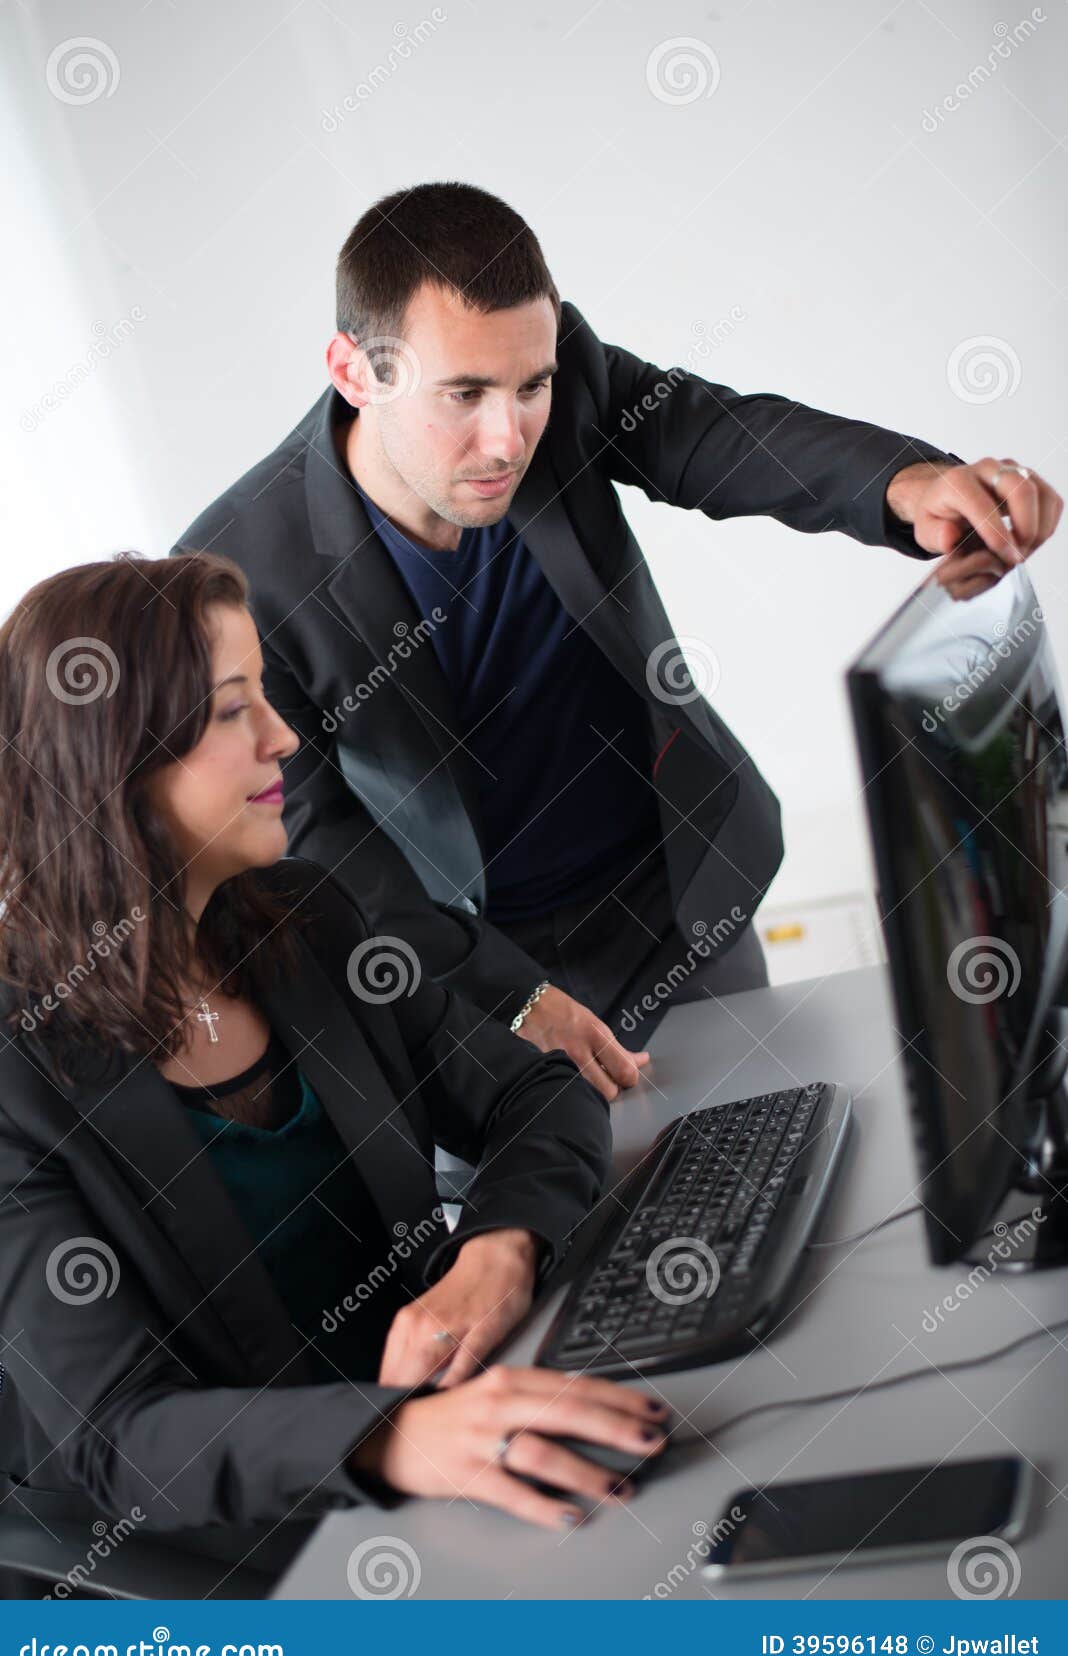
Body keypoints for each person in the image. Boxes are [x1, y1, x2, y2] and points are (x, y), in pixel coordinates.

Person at [174, 181, 1062, 1102]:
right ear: (356, 371)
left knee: (771, 1176)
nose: (507, 437)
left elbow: (713, 433)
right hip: (467, 977)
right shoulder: (236, 571)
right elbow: (320, 844)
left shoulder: (565, 384)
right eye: (465, 393)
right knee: (561, 1229)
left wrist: (908, 483)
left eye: (531, 388)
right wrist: (512, 998)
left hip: (671, 911)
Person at [0, 552, 670, 1569]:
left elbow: (531, 1091)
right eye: (234, 710)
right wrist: (390, 1438)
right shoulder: (19, 1070)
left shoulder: (309, 921)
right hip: (248, 1533)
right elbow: (118, 1433)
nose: (282, 736)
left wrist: (499, 1248)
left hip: (447, 1441)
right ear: (117, 762)